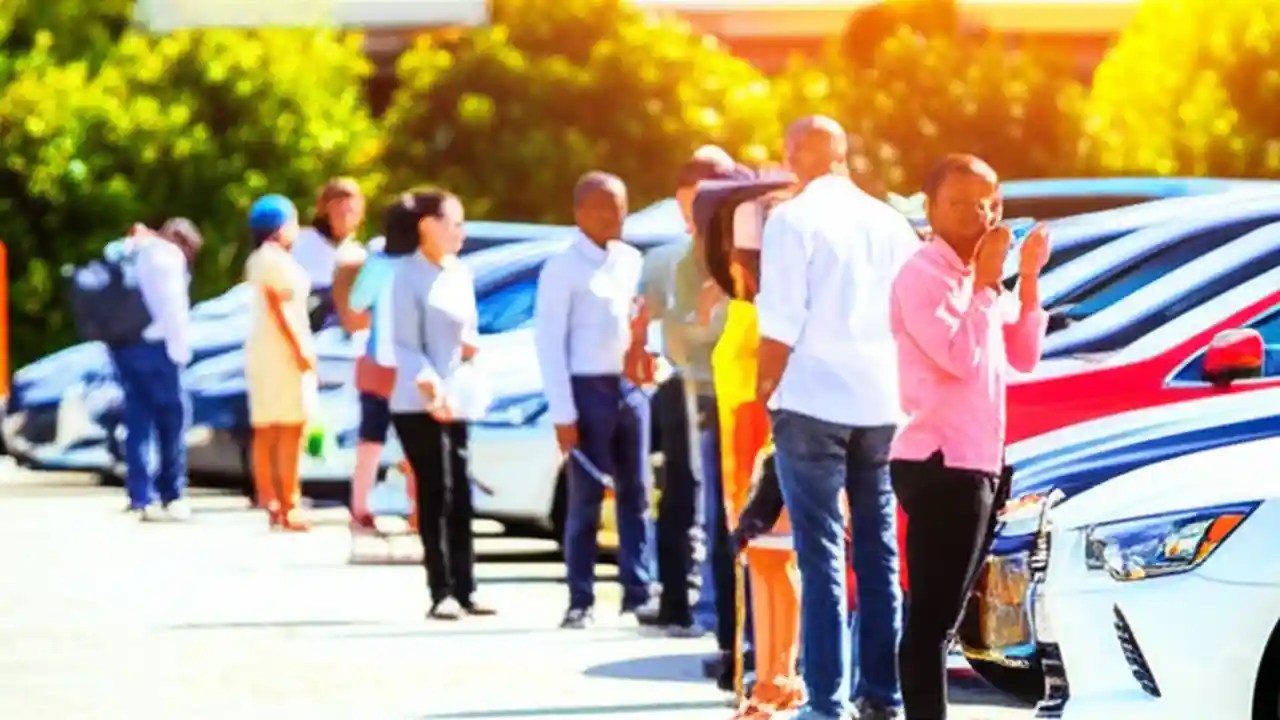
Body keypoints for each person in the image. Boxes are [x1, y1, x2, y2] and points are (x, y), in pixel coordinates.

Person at [754, 116, 920, 720]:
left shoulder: (792, 220)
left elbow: (780, 324)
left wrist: (763, 392)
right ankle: (883, 694)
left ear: (795, 154)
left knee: (820, 550)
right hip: (880, 404)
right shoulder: (890, 221)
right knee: (878, 553)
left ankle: (824, 702)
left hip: (812, 402)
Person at [888, 155, 1050, 720]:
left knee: (947, 616)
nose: (972, 215)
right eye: (956, 203)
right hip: (937, 462)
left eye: (983, 204)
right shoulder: (923, 275)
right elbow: (958, 355)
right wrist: (985, 286)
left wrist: (1025, 279)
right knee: (932, 618)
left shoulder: (978, 281)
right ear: (930, 209)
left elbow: (1025, 355)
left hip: (978, 463)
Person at [535, 171, 655, 630]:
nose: (616, 215)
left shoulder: (629, 260)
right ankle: (580, 598)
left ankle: (637, 591)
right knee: (586, 496)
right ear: (581, 212)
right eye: (605, 206)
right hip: (586, 389)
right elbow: (549, 343)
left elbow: (640, 322)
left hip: (628, 389)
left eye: (621, 205)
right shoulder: (563, 267)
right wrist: (563, 412)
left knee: (637, 492)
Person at [640, 150, 745, 638]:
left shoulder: (754, 245)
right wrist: (705, 319)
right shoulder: (681, 260)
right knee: (694, 499)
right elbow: (680, 338)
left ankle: (731, 624)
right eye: (687, 209)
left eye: (700, 208)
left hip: (750, 395)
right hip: (699, 394)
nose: (693, 220)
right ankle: (700, 611)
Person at [387, 189, 494, 621]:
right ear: (427, 226)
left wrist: (468, 357)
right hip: (418, 399)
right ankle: (441, 589)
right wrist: (431, 389)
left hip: (457, 396)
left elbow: (469, 336)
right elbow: (405, 345)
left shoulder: (459, 273)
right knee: (436, 490)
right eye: (454, 223)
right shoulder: (406, 277)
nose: (461, 232)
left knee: (462, 495)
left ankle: (467, 588)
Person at [111, 219, 204, 521]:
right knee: (173, 421)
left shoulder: (131, 251)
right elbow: (173, 309)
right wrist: (181, 352)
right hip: (159, 349)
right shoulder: (168, 257)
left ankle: (140, 495)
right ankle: (172, 492)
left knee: (138, 422)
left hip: (126, 346)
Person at [244, 195, 317, 532]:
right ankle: (287, 499)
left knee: (269, 426)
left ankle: (273, 497)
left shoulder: (264, 259)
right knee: (288, 425)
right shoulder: (273, 260)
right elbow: (280, 307)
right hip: (281, 350)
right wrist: (300, 348)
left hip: (266, 348)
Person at [344, 227, 409, 529]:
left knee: (371, 438)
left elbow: (357, 302)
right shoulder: (424, 263)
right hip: (412, 363)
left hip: (380, 360)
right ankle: (418, 509)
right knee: (416, 439)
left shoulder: (379, 263)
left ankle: (360, 506)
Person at [292, 177, 367, 331]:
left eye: (351, 210)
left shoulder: (358, 254)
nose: (345, 214)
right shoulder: (297, 240)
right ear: (324, 209)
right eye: (339, 207)